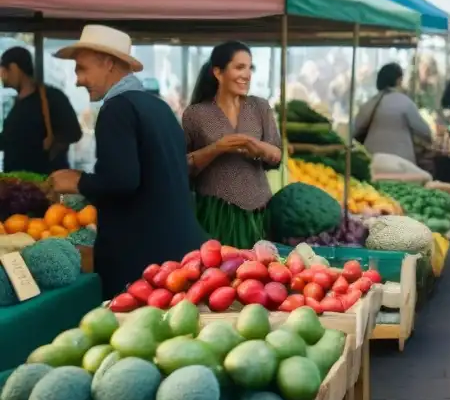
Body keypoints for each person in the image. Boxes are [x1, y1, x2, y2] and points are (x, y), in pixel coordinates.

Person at [48, 26, 205, 299]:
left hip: (140, 261)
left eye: (82, 69)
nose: (78, 80)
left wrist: (77, 181)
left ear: (108, 63)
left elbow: (121, 181)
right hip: (176, 250)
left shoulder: (117, 108)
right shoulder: (157, 106)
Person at [182, 42, 283, 250]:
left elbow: (276, 155)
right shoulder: (195, 114)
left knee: (259, 268)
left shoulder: (260, 107)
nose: (247, 75)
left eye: (249, 68)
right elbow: (183, 166)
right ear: (218, 73)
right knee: (217, 267)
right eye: (239, 67)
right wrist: (217, 148)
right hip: (214, 212)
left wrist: (258, 147)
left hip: (258, 213)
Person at [0, 46, 82, 174]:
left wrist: (52, 148)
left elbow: (73, 132)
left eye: (4, 71)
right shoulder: (17, 104)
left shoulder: (52, 97)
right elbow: (9, 140)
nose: (2, 77)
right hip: (16, 181)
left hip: (46, 180)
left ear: (14, 68)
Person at [353, 62, 433, 165]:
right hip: (401, 162)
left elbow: (355, 130)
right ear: (398, 80)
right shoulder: (405, 102)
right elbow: (425, 132)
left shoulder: (370, 103)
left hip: (373, 160)